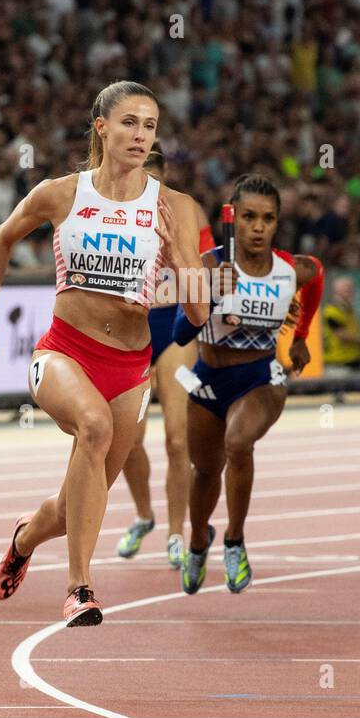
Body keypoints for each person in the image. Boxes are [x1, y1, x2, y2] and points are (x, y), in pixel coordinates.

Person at [0, 80, 208, 626]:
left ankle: (25, 538)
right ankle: (80, 588)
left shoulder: (175, 206)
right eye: (129, 122)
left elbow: (198, 316)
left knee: (71, 507)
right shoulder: (61, 193)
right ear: (101, 127)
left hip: (130, 367)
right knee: (94, 427)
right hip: (63, 352)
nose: (140, 135)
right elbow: (1, 239)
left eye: (150, 126)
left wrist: (180, 258)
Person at [177, 174, 324, 595]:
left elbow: (318, 275)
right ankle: (198, 540)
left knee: (238, 444)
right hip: (207, 381)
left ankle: (235, 541)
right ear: (234, 219)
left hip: (261, 379)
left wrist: (299, 337)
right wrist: (206, 296)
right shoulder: (208, 265)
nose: (258, 227)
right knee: (205, 470)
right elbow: (179, 333)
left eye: (268, 219)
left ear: (277, 223)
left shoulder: (290, 269)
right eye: (249, 217)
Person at [115, 141, 214, 569]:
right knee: (126, 443)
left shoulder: (186, 212)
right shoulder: (109, 209)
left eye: (153, 172)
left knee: (177, 438)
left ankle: (176, 533)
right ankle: (143, 515)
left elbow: (207, 269)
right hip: (130, 332)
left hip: (174, 329)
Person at [321, 275, 360, 371]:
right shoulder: (332, 310)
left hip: (352, 360)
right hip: (338, 362)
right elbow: (340, 333)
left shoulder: (348, 309)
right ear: (337, 291)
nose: (350, 292)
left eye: (351, 289)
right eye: (346, 289)